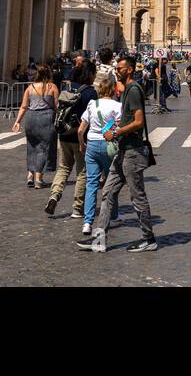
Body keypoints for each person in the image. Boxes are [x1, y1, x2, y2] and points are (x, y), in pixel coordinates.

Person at [76, 55, 158, 252]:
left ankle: (149, 238)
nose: (117, 71)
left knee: (137, 196)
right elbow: (124, 119)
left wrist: (116, 132)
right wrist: (111, 127)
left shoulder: (134, 91)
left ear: (129, 70)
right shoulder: (125, 91)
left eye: (120, 68)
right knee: (107, 192)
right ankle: (99, 241)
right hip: (122, 150)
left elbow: (139, 122)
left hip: (133, 151)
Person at [47, 60, 95, 217]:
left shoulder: (69, 88)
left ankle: (54, 195)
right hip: (80, 137)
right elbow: (93, 117)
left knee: (64, 168)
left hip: (64, 134)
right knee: (82, 172)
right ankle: (77, 207)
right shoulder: (90, 93)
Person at [77, 67, 121, 236]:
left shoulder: (92, 104)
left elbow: (81, 129)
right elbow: (118, 124)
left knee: (91, 184)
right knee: (112, 182)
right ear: (112, 90)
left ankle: (87, 222)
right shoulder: (117, 105)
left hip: (92, 145)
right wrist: (107, 129)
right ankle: (114, 216)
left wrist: (82, 143)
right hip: (109, 146)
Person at [13, 64, 58, 189]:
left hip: (31, 118)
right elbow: (57, 105)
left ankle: (30, 174)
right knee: (44, 148)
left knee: (32, 146)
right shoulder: (52, 87)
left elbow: (23, 106)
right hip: (46, 118)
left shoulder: (30, 88)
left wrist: (17, 121)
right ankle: (38, 178)